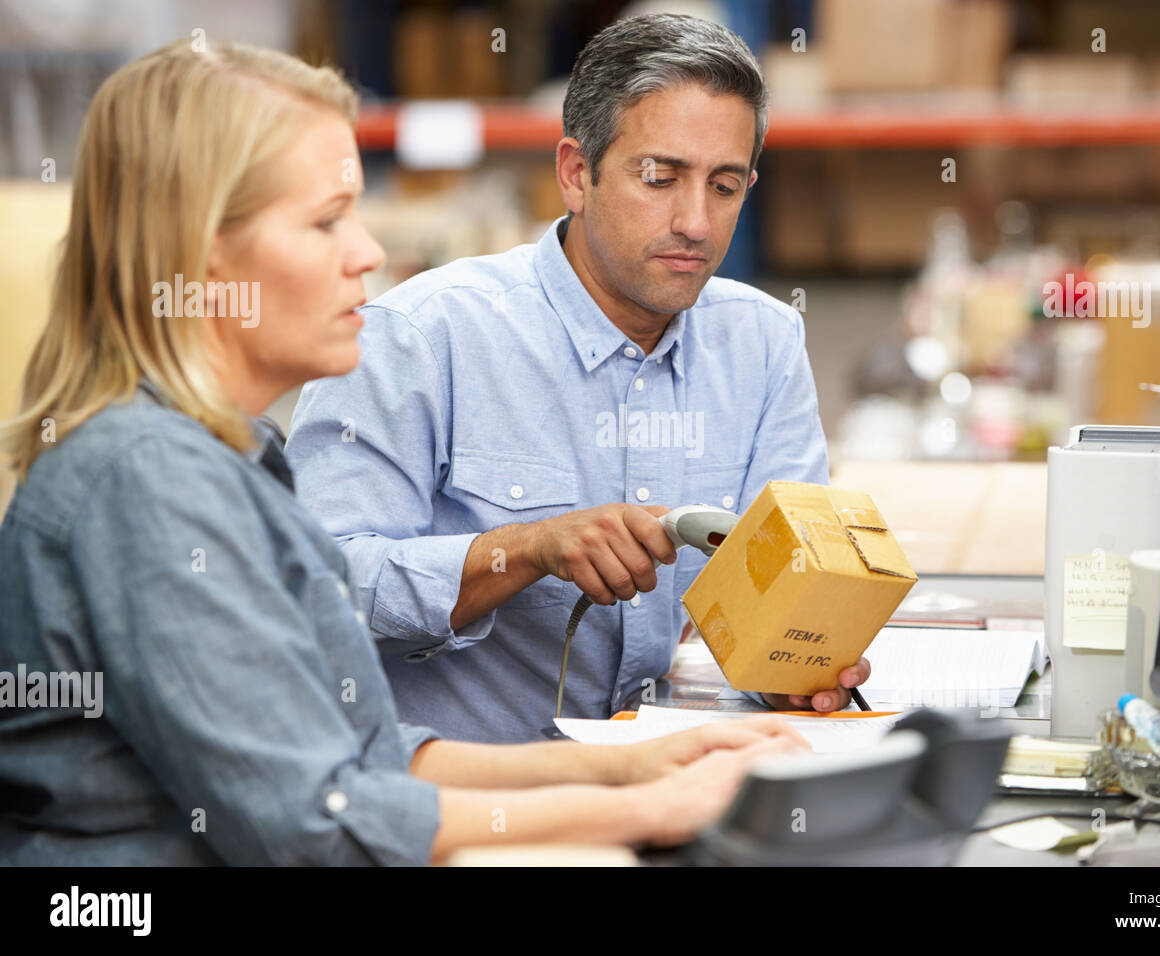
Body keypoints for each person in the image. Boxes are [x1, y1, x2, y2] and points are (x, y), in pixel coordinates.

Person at [0, 37, 806, 866]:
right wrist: (648, 807)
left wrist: (630, 769)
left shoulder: (231, 463)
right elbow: (317, 820)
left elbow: (367, 751)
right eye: (325, 222)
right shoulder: (149, 484)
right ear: (200, 254)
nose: (371, 253)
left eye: (727, 184)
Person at [285, 13, 871, 744]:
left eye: (724, 187)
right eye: (659, 178)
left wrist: (793, 669)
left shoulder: (764, 343)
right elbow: (315, 588)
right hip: (466, 814)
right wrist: (525, 551)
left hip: (665, 788)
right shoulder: (421, 338)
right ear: (575, 173)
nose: (695, 220)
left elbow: (784, 605)